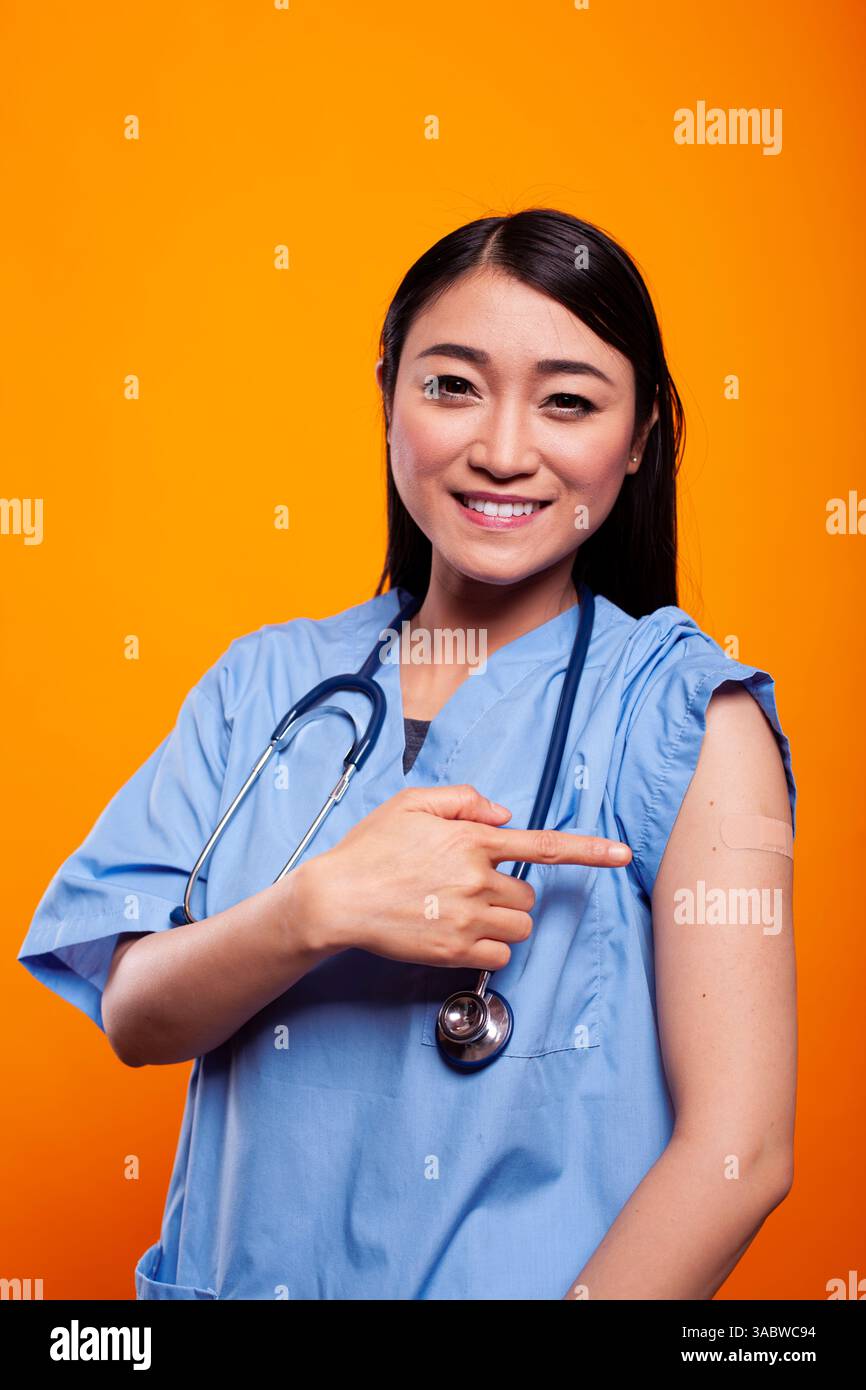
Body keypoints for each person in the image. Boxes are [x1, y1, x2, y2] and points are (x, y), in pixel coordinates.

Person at [17, 208, 797, 1301]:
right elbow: (136, 1013)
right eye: (451, 385)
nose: (503, 449)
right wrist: (313, 909)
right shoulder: (264, 683)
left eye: (567, 400)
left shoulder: (687, 720)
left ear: (639, 436)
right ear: (388, 391)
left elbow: (738, 1155)